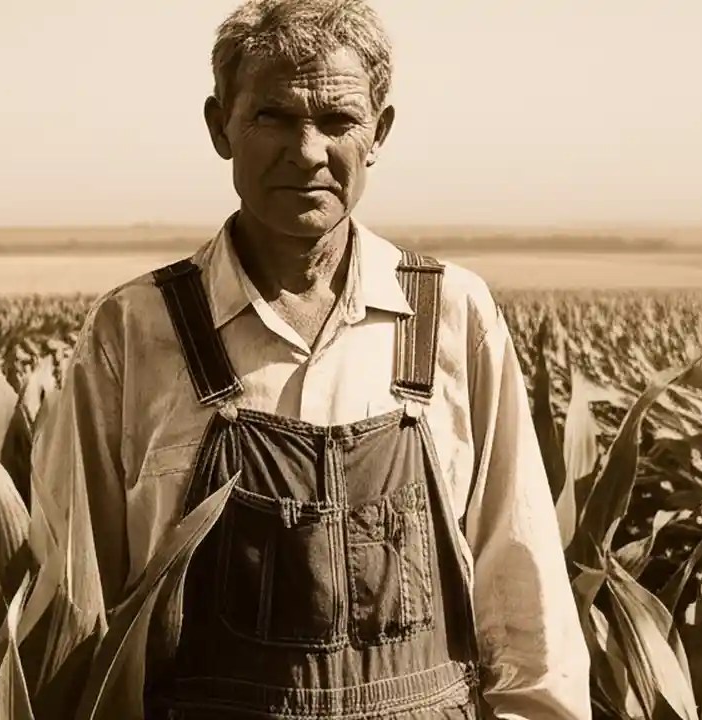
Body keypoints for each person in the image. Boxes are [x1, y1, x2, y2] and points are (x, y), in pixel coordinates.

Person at [33, 0, 591, 717]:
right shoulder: (135, 330)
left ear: (379, 132)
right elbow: (74, 609)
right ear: (218, 126)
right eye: (272, 116)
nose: (306, 151)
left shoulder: (452, 316)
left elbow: (524, 590)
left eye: (338, 121)